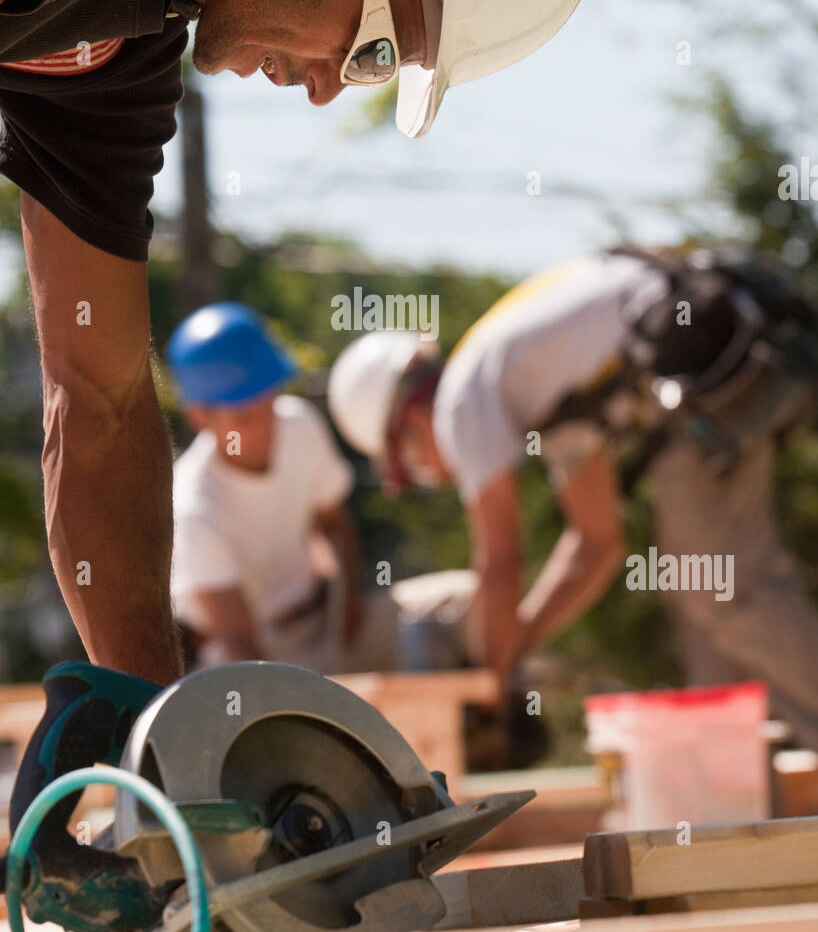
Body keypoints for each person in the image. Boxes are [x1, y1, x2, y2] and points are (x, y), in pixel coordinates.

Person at [0, 0, 601, 681]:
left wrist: (147, 723)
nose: (326, 93)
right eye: (374, 53)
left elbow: (103, 398)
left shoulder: (120, 46)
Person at [327, 248, 818, 749]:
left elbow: (501, 562)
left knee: (728, 590)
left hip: (694, 362)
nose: (435, 475)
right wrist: (514, 645)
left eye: (415, 469)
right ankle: (732, 794)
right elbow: (595, 545)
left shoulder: (462, 402)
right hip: (703, 360)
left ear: (408, 425)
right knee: (701, 591)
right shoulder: (544, 393)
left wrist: (489, 682)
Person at [168, 302, 397, 675]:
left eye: (269, 402)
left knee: (454, 608)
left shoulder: (299, 425)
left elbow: (334, 525)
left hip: (327, 624)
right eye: (244, 416)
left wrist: (347, 609)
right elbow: (239, 646)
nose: (265, 426)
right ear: (199, 416)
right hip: (258, 660)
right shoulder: (193, 505)